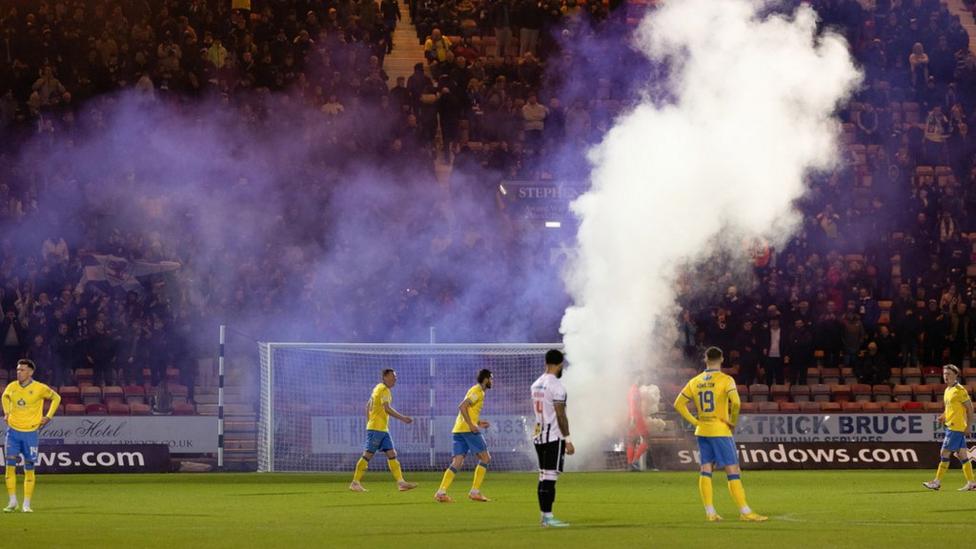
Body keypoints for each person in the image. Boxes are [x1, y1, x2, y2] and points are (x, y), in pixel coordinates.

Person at [673, 347, 767, 522]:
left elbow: (678, 404)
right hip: (720, 431)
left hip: (702, 431)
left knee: (705, 470)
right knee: (732, 470)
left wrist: (695, 422)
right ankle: (745, 511)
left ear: (705, 359)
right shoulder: (726, 380)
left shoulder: (695, 381)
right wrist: (733, 421)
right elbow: (736, 403)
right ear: (722, 359)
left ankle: (710, 512)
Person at [2, 359, 61, 513]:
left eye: (22, 370)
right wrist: (7, 412)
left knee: (29, 469)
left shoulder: (39, 388)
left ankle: (26, 504)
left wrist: (48, 417)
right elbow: (5, 397)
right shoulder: (12, 386)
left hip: (30, 434)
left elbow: (56, 398)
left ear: (30, 372)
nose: (18, 372)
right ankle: (12, 501)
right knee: (9, 468)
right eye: (18, 369)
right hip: (12, 433)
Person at [349, 369, 418, 492]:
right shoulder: (384, 390)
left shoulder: (377, 388)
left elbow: (367, 406)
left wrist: (369, 422)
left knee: (392, 454)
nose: (395, 379)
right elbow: (387, 408)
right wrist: (403, 418)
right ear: (385, 377)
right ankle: (355, 482)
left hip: (382, 429)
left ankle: (401, 482)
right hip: (377, 429)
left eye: (395, 377)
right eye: (393, 376)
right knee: (367, 455)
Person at [435, 369, 493, 502]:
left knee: (457, 462)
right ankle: (475, 492)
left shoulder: (474, 390)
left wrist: (478, 422)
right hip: (468, 430)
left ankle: (441, 492)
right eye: (491, 378)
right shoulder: (478, 392)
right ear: (485, 379)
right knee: (485, 458)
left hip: (458, 429)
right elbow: (462, 407)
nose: (492, 381)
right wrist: (472, 425)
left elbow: (468, 410)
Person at [531, 349, 574, 528]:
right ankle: (548, 517)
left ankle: (544, 516)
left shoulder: (536, 384)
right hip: (553, 437)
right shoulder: (557, 387)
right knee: (550, 477)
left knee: (543, 476)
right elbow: (560, 415)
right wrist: (568, 439)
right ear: (560, 364)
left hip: (538, 435)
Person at [923, 364, 975, 491]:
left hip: (956, 428)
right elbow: (949, 408)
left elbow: (970, 409)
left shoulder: (960, 390)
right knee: (963, 455)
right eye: (944, 374)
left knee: (944, 452)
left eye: (949, 374)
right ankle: (972, 483)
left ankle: (936, 482)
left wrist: (969, 426)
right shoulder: (947, 390)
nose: (946, 376)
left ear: (956, 375)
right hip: (951, 426)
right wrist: (943, 416)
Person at [626, 376, 649, 471]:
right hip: (636, 418)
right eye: (641, 378)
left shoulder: (632, 389)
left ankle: (630, 464)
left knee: (632, 441)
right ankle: (635, 461)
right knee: (647, 439)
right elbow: (633, 404)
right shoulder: (634, 390)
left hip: (632, 417)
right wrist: (633, 418)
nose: (642, 380)